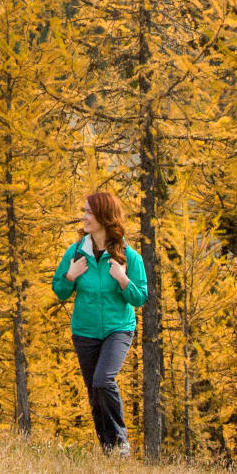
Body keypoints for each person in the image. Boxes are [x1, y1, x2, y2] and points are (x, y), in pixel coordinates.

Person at [53, 189, 147, 455]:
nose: (83, 217)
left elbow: (140, 297)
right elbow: (59, 290)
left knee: (104, 381)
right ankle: (108, 449)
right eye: (84, 211)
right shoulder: (75, 253)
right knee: (94, 392)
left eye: (88, 213)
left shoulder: (129, 256)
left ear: (105, 217)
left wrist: (123, 280)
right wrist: (69, 277)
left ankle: (120, 441)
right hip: (84, 331)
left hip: (118, 329)